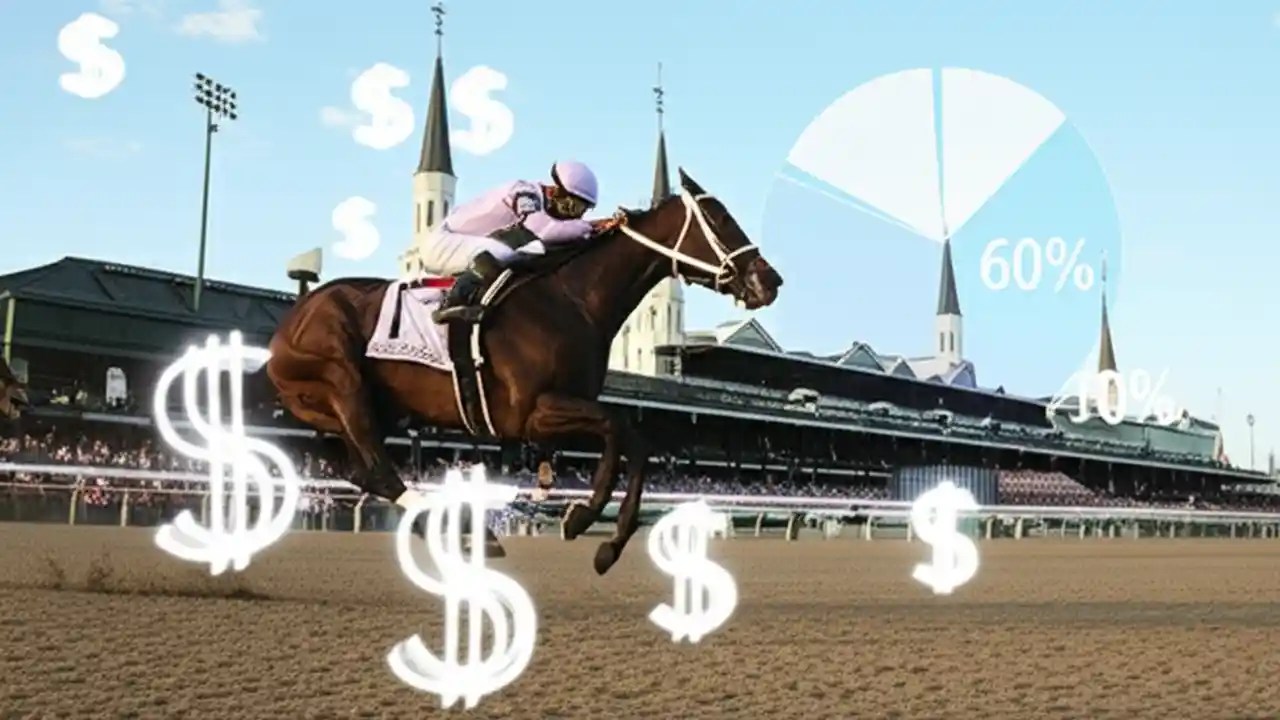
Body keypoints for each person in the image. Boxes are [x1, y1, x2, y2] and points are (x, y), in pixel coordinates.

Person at [425, 160, 617, 324]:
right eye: (572, 207)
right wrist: (591, 228)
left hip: (466, 242)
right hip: (441, 242)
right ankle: (453, 303)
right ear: (554, 191)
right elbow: (542, 230)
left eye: (582, 211)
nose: (575, 216)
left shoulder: (540, 203)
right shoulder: (525, 193)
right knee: (506, 252)